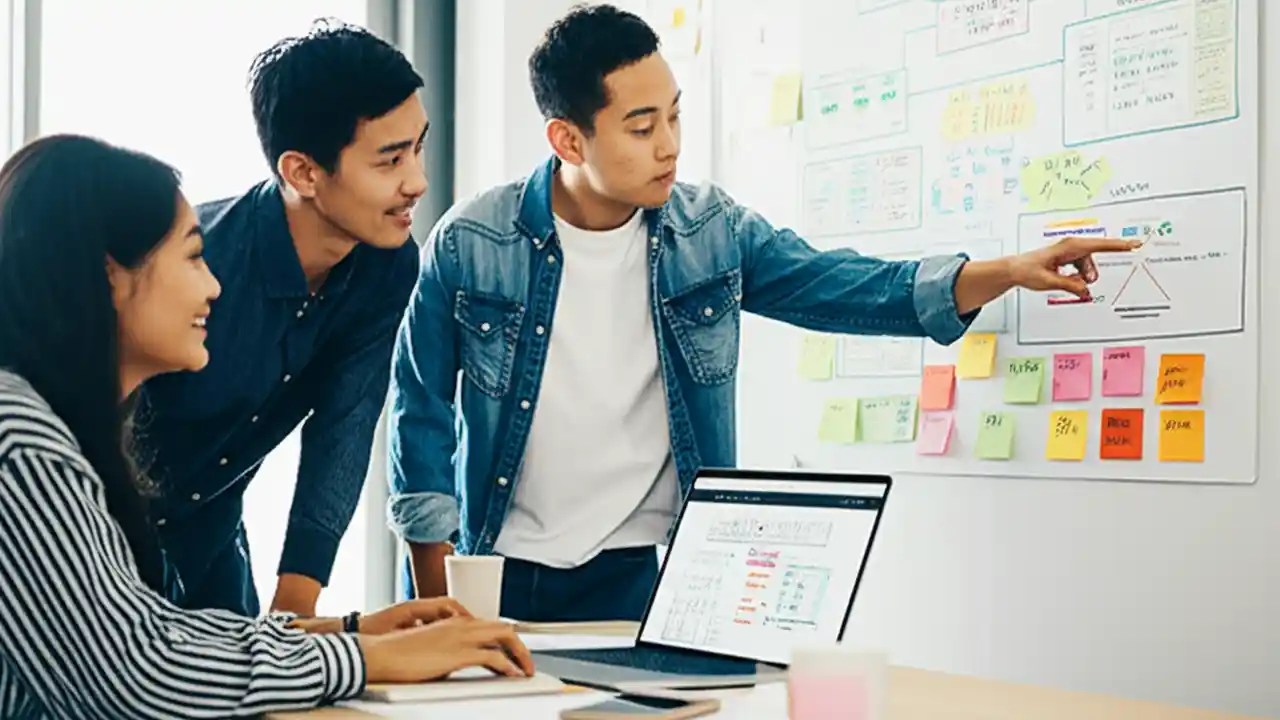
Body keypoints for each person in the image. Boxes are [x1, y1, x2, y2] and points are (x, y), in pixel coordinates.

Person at [386, 4, 1138, 622]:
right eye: (642, 128)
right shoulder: (473, 243)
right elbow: (417, 407)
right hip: (495, 576)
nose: (670, 147)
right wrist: (436, 593)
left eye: (675, 117)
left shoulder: (709, 231)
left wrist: (1007, 271)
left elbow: (842, 286)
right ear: (567, 138)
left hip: (650, 574)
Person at [0, 134, 533, 719]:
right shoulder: (23, 443)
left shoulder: (55, 427)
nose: (213, 285)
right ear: (110, 277)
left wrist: (347, 632)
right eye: (193, 256)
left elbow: (154, 627)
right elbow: (135, 670)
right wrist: (366, 658)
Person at [133, 19, 426, 618]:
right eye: (389, 161)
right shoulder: (197, 266)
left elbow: (345, 425)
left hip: (212, 545)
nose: (416, 182)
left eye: (418, 147)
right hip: (102, 548)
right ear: (303, 173)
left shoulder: (386, 266)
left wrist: (295, 612)